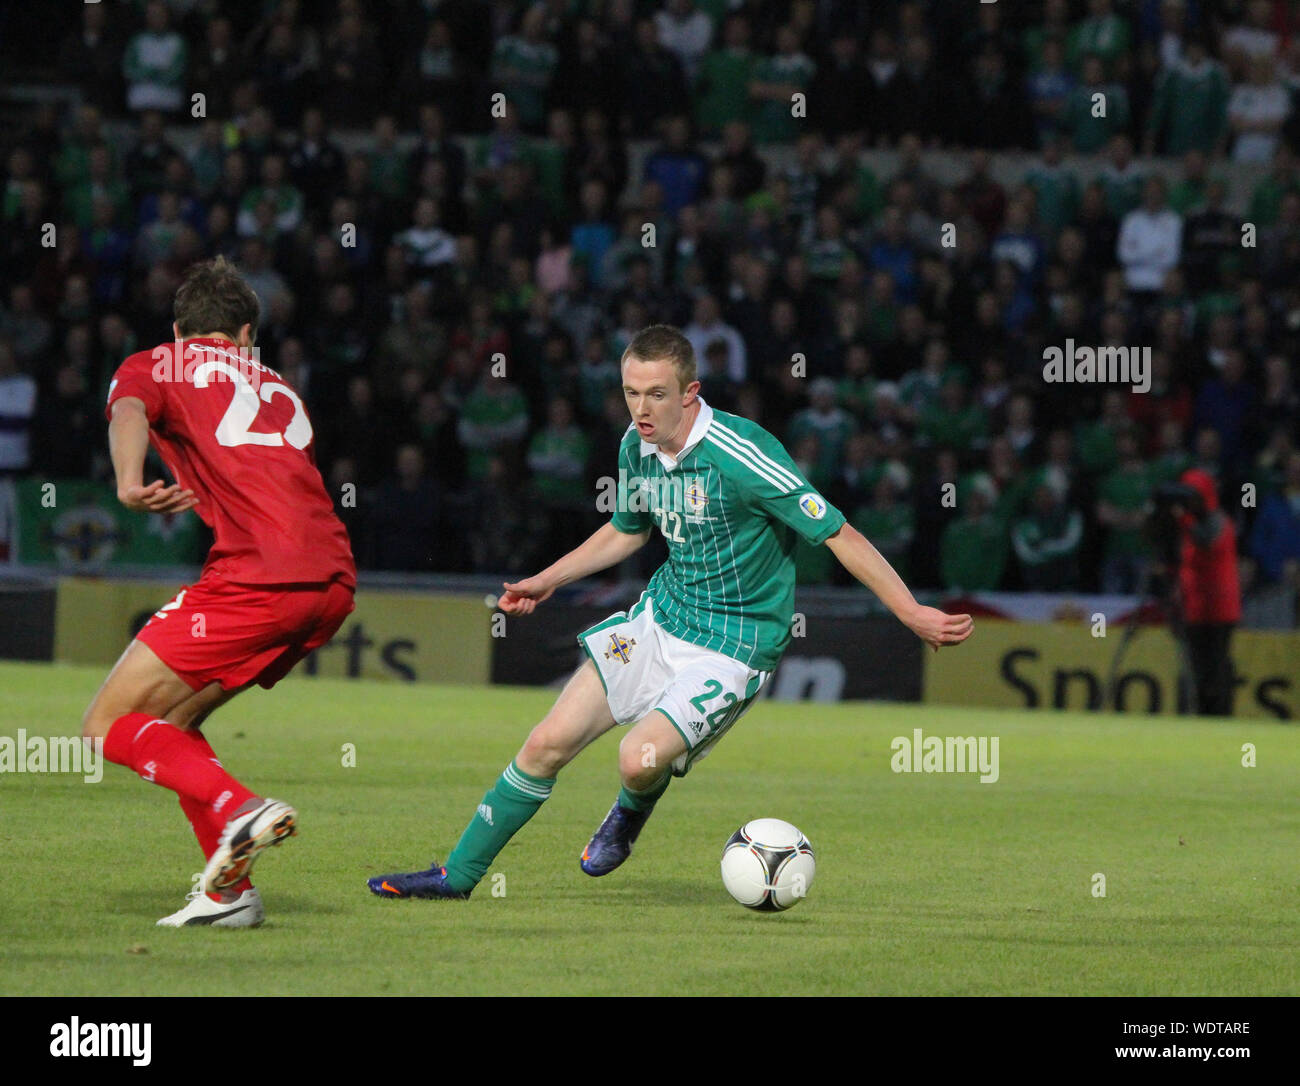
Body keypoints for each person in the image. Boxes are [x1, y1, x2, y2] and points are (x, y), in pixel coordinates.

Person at [369, 325, 972, 901]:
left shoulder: (744, 453)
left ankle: (632, 810)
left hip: (734, 647)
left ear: (690, 392)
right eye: (631, 393)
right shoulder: (637, 444)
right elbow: (626, 531)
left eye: (656, 394)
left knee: (638, 760)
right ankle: (457, 876)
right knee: (545, 743)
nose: (640, 409)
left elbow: (838, 533)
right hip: (661, 620)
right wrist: (546, 580)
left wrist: (910, 611)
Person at [84, 257, 356, 927]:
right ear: (244, 334)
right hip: (333, 581)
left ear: (179, 330)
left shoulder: (158, 363)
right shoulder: (276, 382)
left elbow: (126, 409)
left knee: (104, 727)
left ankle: (240, 806)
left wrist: (127, 481)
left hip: (258, 575)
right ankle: (230, 896)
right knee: (174, 722)